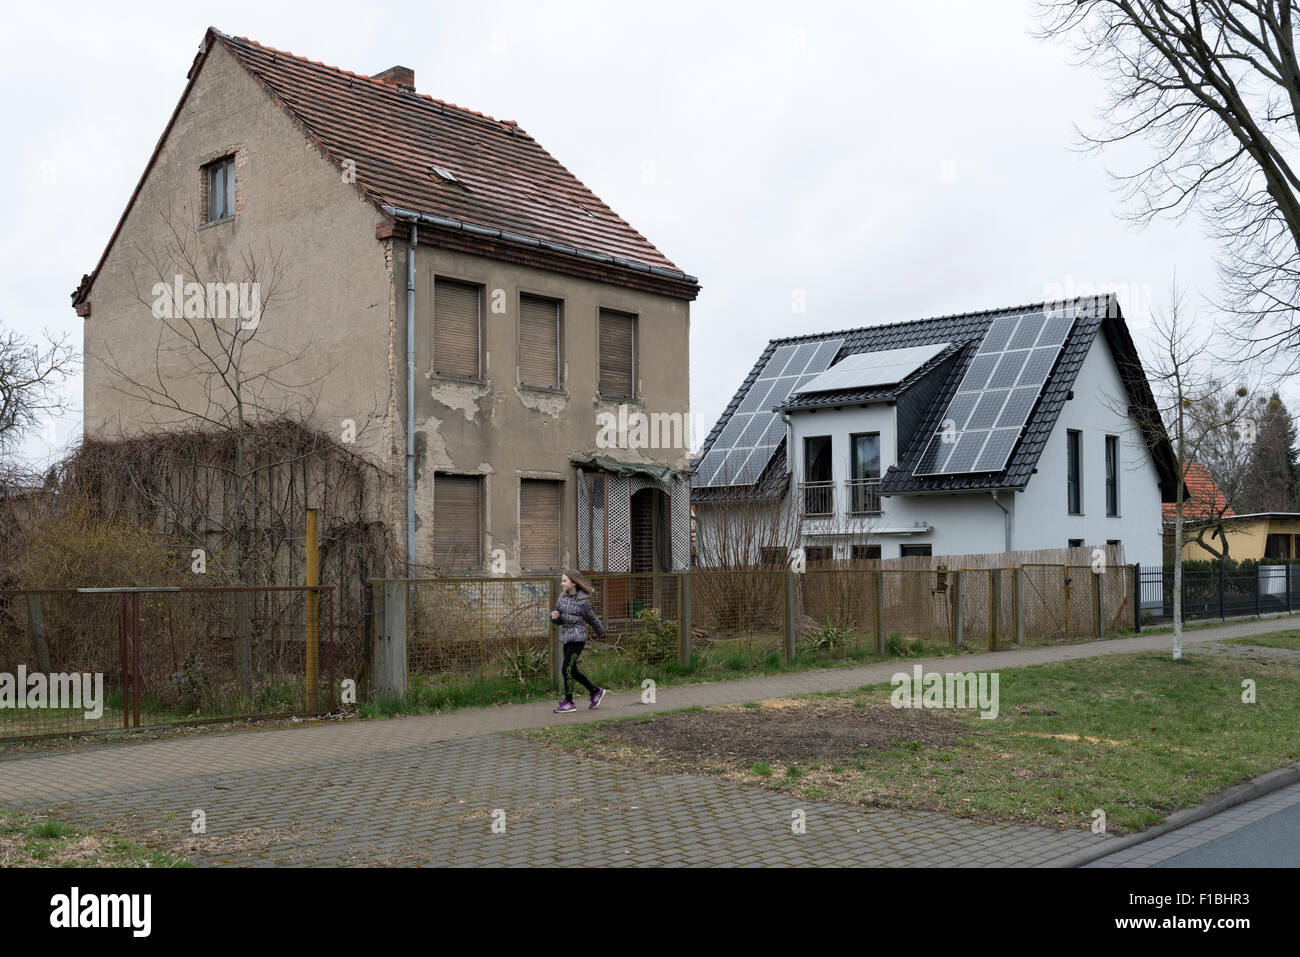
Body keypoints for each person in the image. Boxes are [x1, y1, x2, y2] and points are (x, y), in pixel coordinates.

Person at [549, 570, 607, 713]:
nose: (562, 583)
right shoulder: (562, 597)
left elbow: (592, 618)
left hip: (578, 637)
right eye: (562, 581)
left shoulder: (583, 601)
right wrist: (554, 617)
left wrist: (601, 632)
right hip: (567, 636)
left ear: (573, 582)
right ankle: (595, 691)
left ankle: (569, 702)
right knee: (572, 670)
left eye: (564, 581)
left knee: (566, 668)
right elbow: (559, 619)